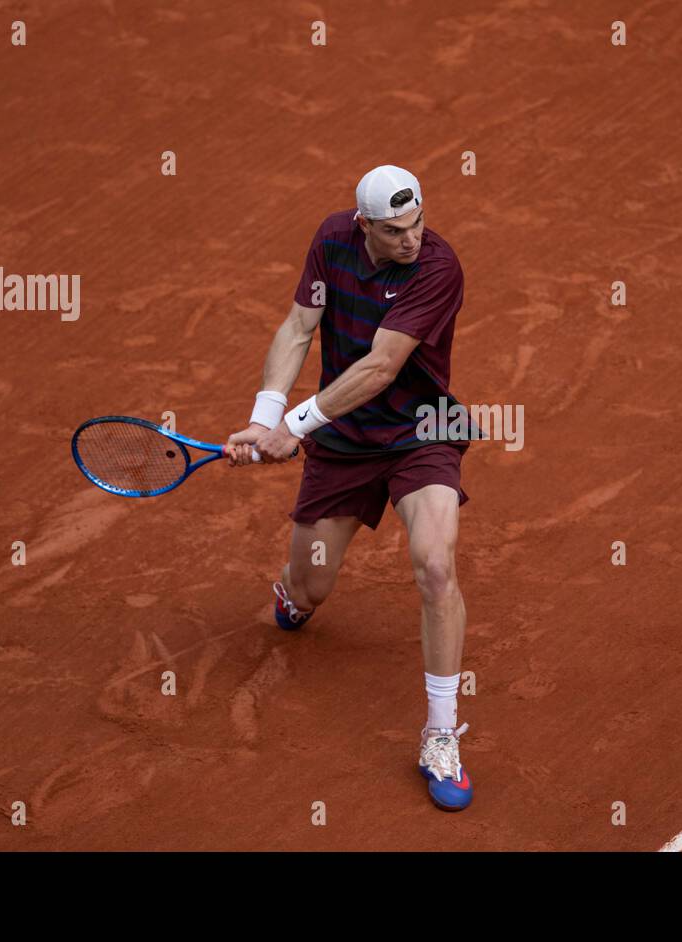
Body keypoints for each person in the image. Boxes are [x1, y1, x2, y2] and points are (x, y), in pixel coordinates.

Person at [226, 165, 474, 811]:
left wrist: (293, 426)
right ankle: (295, 592)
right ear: (364, 224)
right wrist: (264, 416)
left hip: (421, 431)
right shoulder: (333, 238)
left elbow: (381, 367)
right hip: (344, 439)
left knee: (436, 565)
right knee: (310, 588)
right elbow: (298, 327)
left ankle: (440, 735)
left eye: (418, 223)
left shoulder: (437, 267)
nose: (412, 238)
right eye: (394, 230)